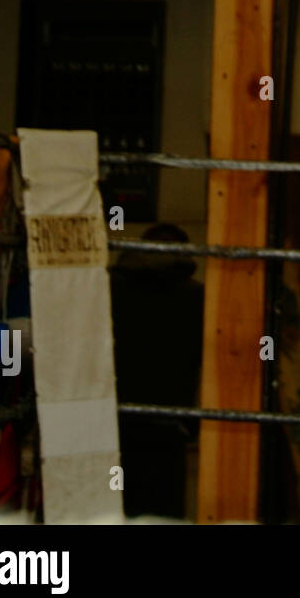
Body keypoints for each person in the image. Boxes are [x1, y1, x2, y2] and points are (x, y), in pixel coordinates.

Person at [108, 222, 204, 519]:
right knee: (163, 510)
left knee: (113, 504)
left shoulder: (108, 289)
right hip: (169, 421)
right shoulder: (198, 298)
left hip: (114, 416)